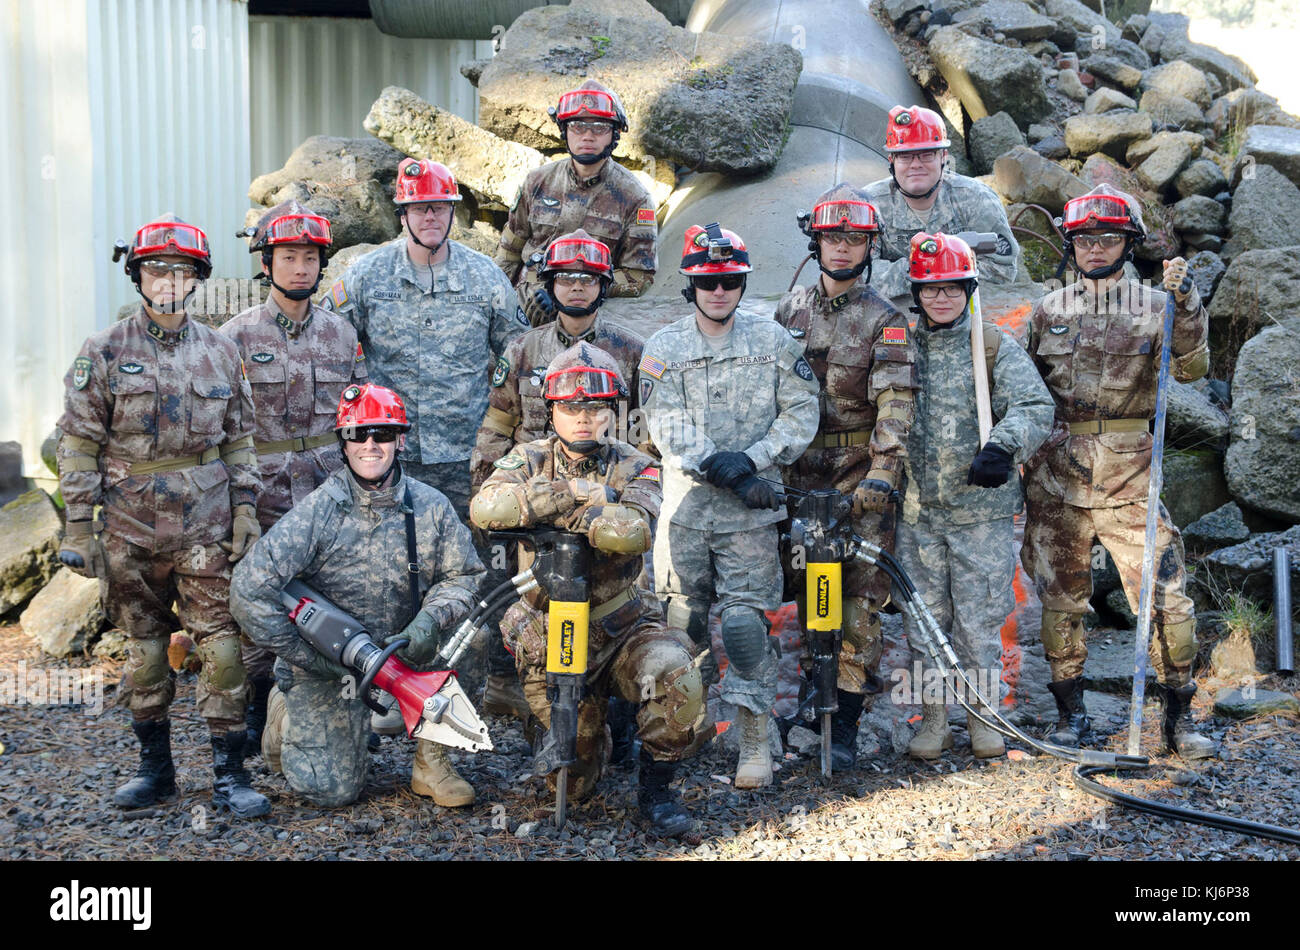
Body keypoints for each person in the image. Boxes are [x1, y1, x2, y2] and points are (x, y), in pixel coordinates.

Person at [56, 214, 269, 817]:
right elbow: (78, 443)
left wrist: (246, 506)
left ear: (198, 278)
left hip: (205, 525)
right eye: (157, 269)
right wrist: (77, 524)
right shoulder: (103, 351)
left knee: (223, 650)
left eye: (182, 271)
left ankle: (229, 775)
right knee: (147, 652)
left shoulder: (222, 351)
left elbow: (239, 437)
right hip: (129, 529)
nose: (169, 281)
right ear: (138, 276)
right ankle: (156, 772)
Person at [470, 344, 709, 835]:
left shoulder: (636, 462)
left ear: (612, 412)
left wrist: (544, 511)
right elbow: (487, 508)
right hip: (552, 629)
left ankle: (657, 791)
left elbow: (632, 532)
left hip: (622, 628)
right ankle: (592, 728)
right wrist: (582, 497)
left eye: (596, 408)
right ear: (552, 410)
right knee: (573, 783)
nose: (583, 418)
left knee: (677, 679)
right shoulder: (526, 457)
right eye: (571, 408)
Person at [1021, 184, 1215, 759]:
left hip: (1130, 477)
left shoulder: (1158, 304)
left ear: (1128, 244)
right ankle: (1070, 717)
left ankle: (1179, 719)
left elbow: (1193, 368)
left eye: (1108, 239)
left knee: (1166, 600)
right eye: (1085, 239)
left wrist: (1189, 303)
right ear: (1071, 245)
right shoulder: (1048, 310)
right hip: (1057, 478)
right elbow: (1028, 392)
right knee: (1061, 602)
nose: (1096, 248)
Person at [229, 384, 487, 807]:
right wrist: (304, 657)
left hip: (404, 646)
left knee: (472, 638)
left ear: (400, 439)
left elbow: (466, 574)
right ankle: (285, 714)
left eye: (382, 434)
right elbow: (248, 588)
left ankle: (432, 761)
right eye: (358, 434)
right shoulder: (317, 511)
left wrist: (429, 621)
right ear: (343, 445)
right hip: (332, 663)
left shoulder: (431, 506)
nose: (370, 445)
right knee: (330, 791)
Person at [640, 223, 820, 788]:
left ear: (743, 284)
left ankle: (754, 742)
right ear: (691, 286)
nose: (720, 292)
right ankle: (684, 734)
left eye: (730, 281)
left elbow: (800, 411)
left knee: (744, 627)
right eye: (709, 283)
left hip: (750, 517)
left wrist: (756, 461)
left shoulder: (772, 342)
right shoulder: (664, 347)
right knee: (681, 628)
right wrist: (721, 466)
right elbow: (663, 420)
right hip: (687, 515)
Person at [470, 229, 649, 728]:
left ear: (604, 285)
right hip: (534, 493)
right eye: (565, 278)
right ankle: (523, 694)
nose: (576, 288)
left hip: (608, 491)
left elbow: (645, 434)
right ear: (548, 285)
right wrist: (491, 489)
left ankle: (620, 707)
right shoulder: (524, 348)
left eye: (587, 279)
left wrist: (627, 489)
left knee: (613, 596)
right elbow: (498, 422)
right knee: (527, 600)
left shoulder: (630, 350)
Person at [773, 183, 918, 770]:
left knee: (857, 599)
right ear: (816, 240)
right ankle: (814, 700)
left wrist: (881, 476)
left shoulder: (886, 320)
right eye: (832, 237)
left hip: (859, 475)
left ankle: (847, 723)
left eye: (853, 239)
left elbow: (897, 403)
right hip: (799, 476)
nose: (841, 249)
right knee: (811, 591)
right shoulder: (789, 311)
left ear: (869, 247)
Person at [895, 233, 1053, 760]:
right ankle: (935, 720)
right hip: (918, 512)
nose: (941, 299)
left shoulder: (992, 345)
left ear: (969, 288)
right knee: (925, 622)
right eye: (930, 289)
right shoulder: (899, 346)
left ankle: (984, 716)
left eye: (952, 288)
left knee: (980, 621)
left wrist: (1003, 447)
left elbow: (1034, 405)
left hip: (980, 513)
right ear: (916, 293)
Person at [220, 200, 368, 754]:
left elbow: (357, 417)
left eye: (310, 257)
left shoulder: (341, 335)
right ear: (267, 264)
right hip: (264, 492)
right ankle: (257, 717)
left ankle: (338, 714)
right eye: (288, 257)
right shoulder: (234, 337)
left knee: (335, 599)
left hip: (330, 489)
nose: (300, 267)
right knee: (261, 604)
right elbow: (224, 427)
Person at [322, 158, 526, 517]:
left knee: (472, 557)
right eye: (418, 208)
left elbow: (520, 355)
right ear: (403, 215)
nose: (429, 216)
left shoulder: (485, 276)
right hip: (389, 454)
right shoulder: (369, 276)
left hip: (468, 455)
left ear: (452, 213)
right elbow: (324, 338)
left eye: (439, 207)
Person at [495, 80, 658, 324]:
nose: (588, 136)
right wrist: (498, 302)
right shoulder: (537, 181)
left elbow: (639, 276)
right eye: (578, 127)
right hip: (522, 308)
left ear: (614, 134)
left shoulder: (635, 198)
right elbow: (509, 252)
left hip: (587, 314)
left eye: (600, 127)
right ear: (565, 131)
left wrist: (574, 291)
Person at [864, 105, 1020, 307]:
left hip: (966, 311)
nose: (916, 164)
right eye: (905, 156)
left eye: (926, 154)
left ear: (943, 157)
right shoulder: (869, 205)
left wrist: (941, 283)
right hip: (893, 313)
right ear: (892, 161)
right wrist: (926, 267)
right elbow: (861, 275)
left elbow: (1004, 271)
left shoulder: (976, 199)